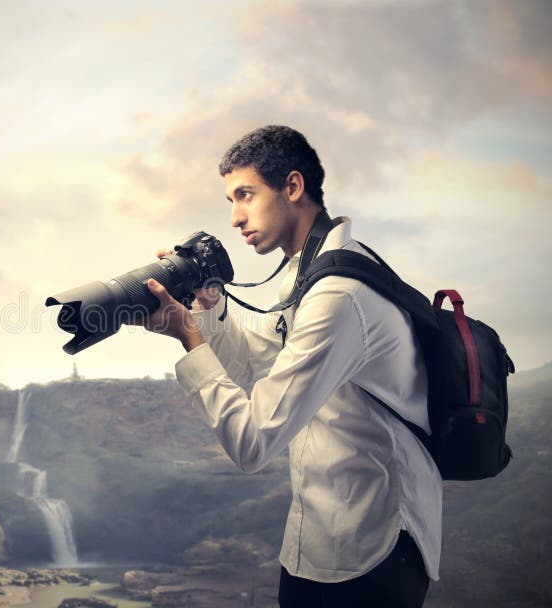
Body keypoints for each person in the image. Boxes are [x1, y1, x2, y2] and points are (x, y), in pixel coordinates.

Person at [140, 126, 441, 607]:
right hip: (318, 542)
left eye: (245, 195)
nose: (235, 218)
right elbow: (243, 364)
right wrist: (206, 300)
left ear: (293, 188)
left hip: (373, 550)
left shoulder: (337, 296)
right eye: (229, 201)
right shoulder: (311, 276)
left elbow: (252, 443)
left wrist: (188, 338)